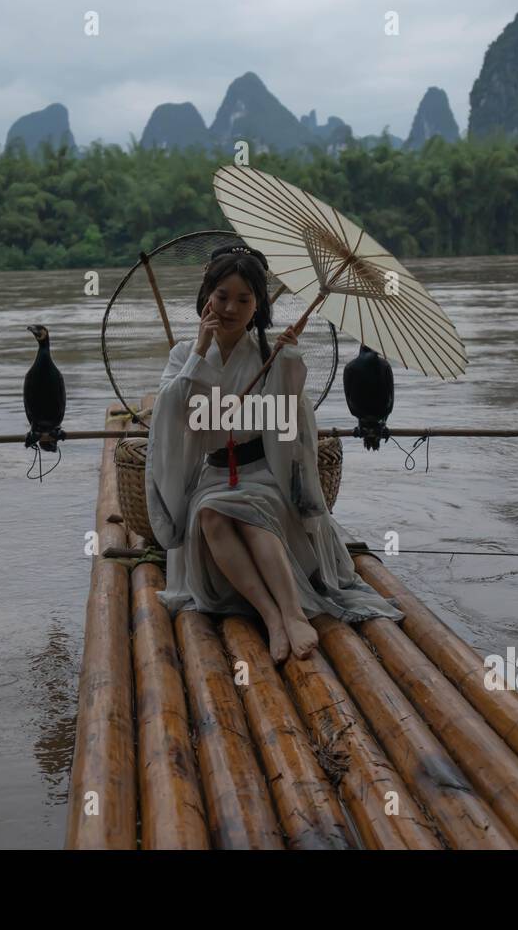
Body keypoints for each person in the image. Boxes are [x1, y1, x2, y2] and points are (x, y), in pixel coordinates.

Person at [145, 243, 403, 664]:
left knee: (251, 513)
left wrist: (288, 364)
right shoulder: (183, 355)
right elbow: (173, 415)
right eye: (222, 296)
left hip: (263, 473)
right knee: (210, 511)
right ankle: (272, 616)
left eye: (244, 299)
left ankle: (292, 614)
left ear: (258, 306)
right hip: (212, 475)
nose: (230, 308)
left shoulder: (268, 354)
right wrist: (199, 351)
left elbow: (290, 424)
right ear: (206, 296)